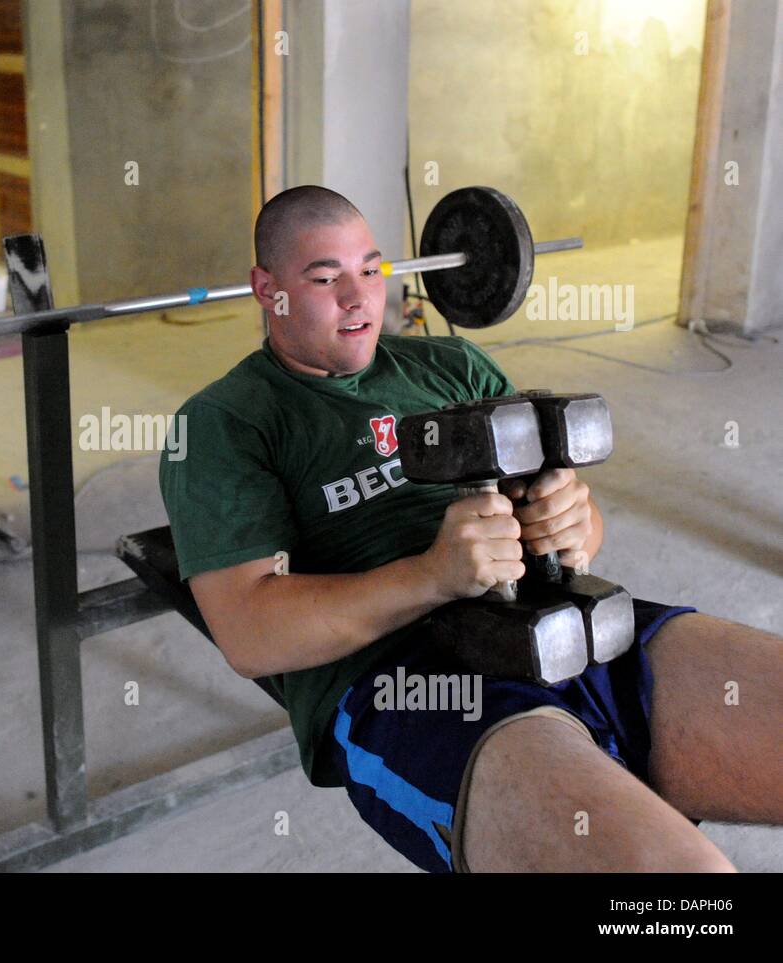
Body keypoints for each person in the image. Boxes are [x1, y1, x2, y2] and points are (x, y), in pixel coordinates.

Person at [158, 185, 782, 872]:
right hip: (407, 683)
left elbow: (566, 512)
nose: (359, 297)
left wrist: (573, 519)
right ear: (266, 288)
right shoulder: (222, 423)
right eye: (325, 277)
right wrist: (431, 575)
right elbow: (248, 631)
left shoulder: (451, 367)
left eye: (370, 269)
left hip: (570, 625)